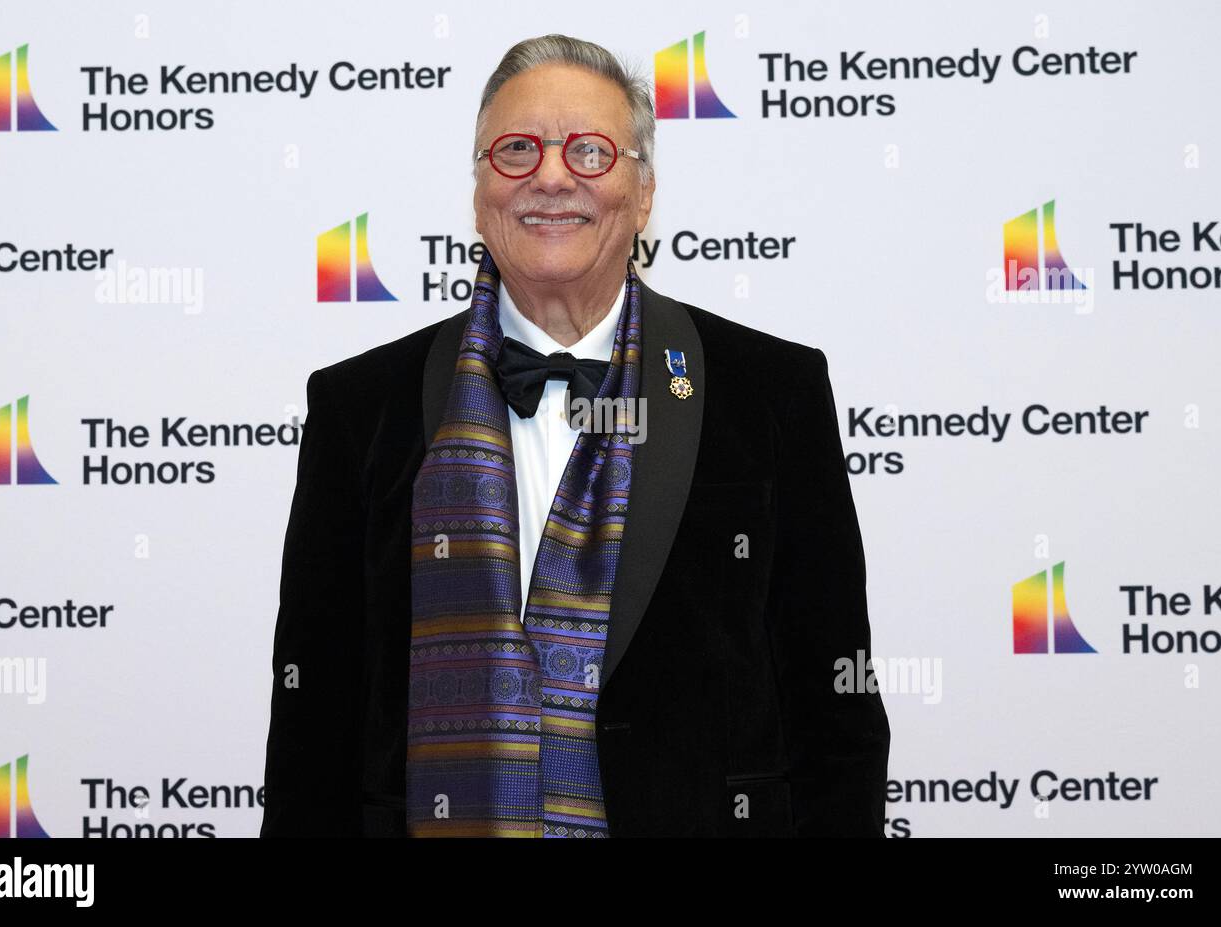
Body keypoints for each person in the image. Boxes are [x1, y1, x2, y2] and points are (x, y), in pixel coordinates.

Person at [261, 33, 889, 838]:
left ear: (645, 192)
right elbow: (313, 726)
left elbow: (837, 720)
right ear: (480, 190)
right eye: (516, 150)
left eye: (589, 152)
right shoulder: (358, 406)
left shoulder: (773, 393)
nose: (551, 175)